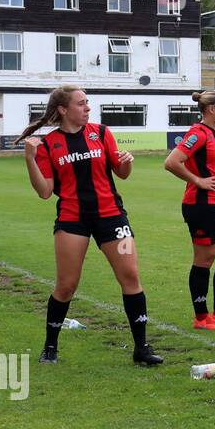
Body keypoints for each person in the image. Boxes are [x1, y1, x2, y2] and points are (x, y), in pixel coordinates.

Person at [20, 86, 161, 366]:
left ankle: (141, 348)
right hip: (73, 220)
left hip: (112, 216)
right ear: (63, 109)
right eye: (81, 103)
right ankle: (50, 347)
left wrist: (127, 163)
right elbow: (45, 192)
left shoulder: (101, 133)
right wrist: (29, 159)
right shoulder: (49, 145)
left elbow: (121, 173)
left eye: (87, 103)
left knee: (131, 276)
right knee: (66, 285)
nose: (87, 108)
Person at [164, 90, 215, 330]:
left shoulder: (214, 133)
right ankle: (201, 317)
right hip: (202, 205)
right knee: (205, 259)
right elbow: (171, 162)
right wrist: (198, 181)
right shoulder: (198, 133)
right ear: (211, 109)